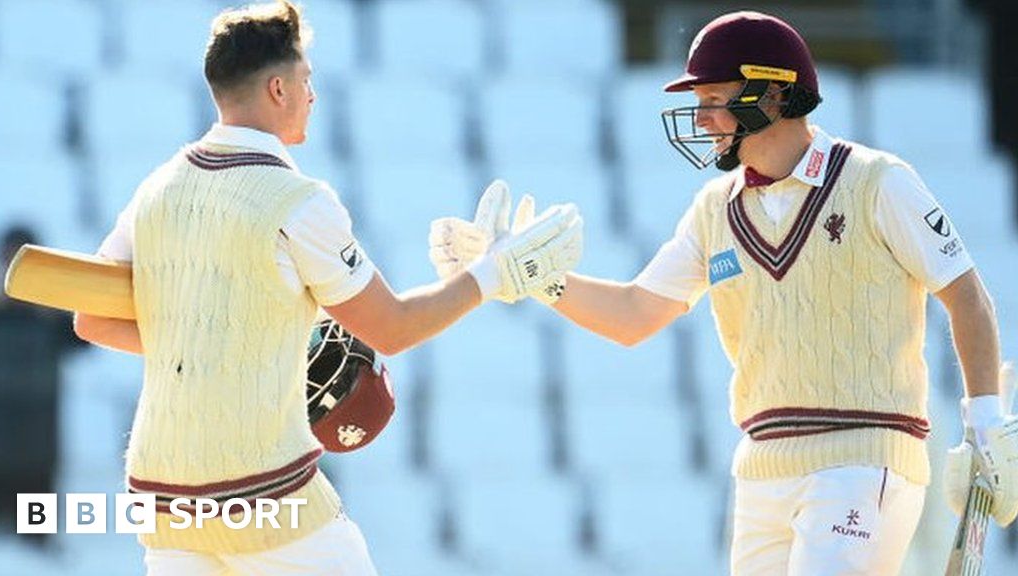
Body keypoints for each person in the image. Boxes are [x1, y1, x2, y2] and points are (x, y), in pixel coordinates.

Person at [429, 11, 1018, 575]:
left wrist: (986, 425)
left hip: (862, 460)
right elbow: (635, 313)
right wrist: (531, 275)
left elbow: (968, 297)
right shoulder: (715, 209)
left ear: (773, 94)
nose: (703, 117)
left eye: (715, 100)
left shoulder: (877, 181)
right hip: (761, 467)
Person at [72, 1, 582, 574]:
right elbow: (393, 327)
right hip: (265, 491)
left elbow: (91, 320)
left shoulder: (158, 188)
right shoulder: (299, 201)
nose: (313, 94)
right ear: (278, 88)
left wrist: (232, 349)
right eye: (306, 79)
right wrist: (494, 273)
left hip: (163, 496)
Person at [0, 225, 86, 546]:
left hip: (40, 433)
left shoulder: (50, 313)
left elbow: (84, 339)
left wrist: (54, 307)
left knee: (35, 532)